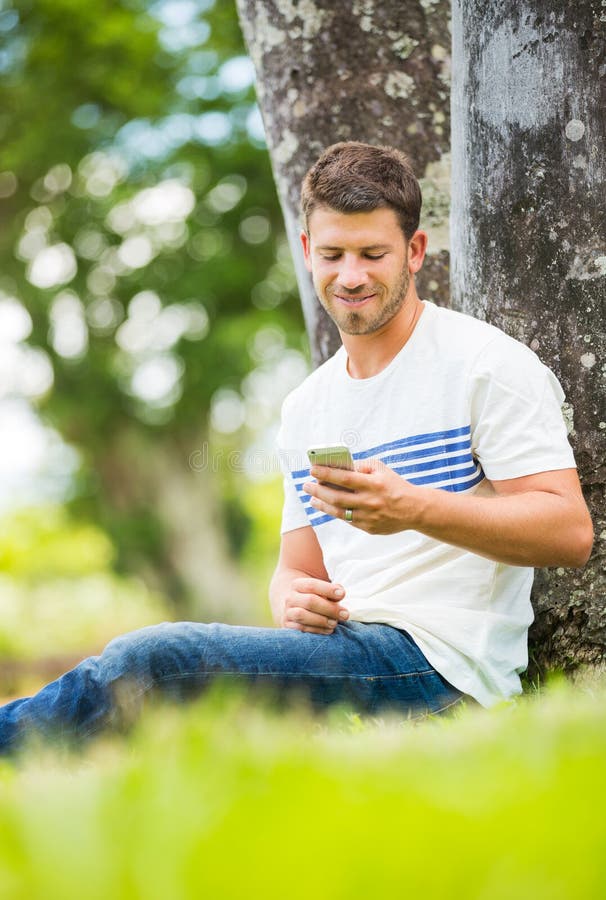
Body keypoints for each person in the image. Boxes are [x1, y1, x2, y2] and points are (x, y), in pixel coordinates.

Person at [0, 141, 593, 754]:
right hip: (347, 649)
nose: (352, 275)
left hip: (441, 671)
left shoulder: (485, 365)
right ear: (308, 252)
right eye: (333, 254)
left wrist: (413, 508)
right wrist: (289, 597)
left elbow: (568, 531)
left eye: (373, 253)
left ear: (414, 252)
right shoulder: (307, 406)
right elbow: (296, 569)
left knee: (152, 663)